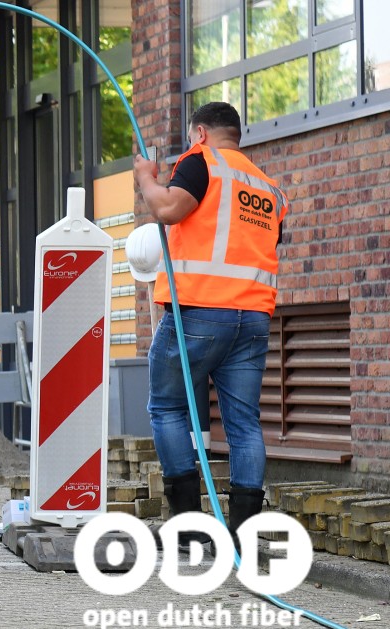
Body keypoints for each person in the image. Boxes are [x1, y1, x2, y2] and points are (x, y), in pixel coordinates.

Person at [133, 102, 288, 549]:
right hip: (253, 320)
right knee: (243, 423)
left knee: (167, 409)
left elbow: (168, 208)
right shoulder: (266, 187)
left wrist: (147, 176)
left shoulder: (201, 163)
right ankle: (242, 535)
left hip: (200, 312)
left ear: (200, 133)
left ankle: (187, 530)